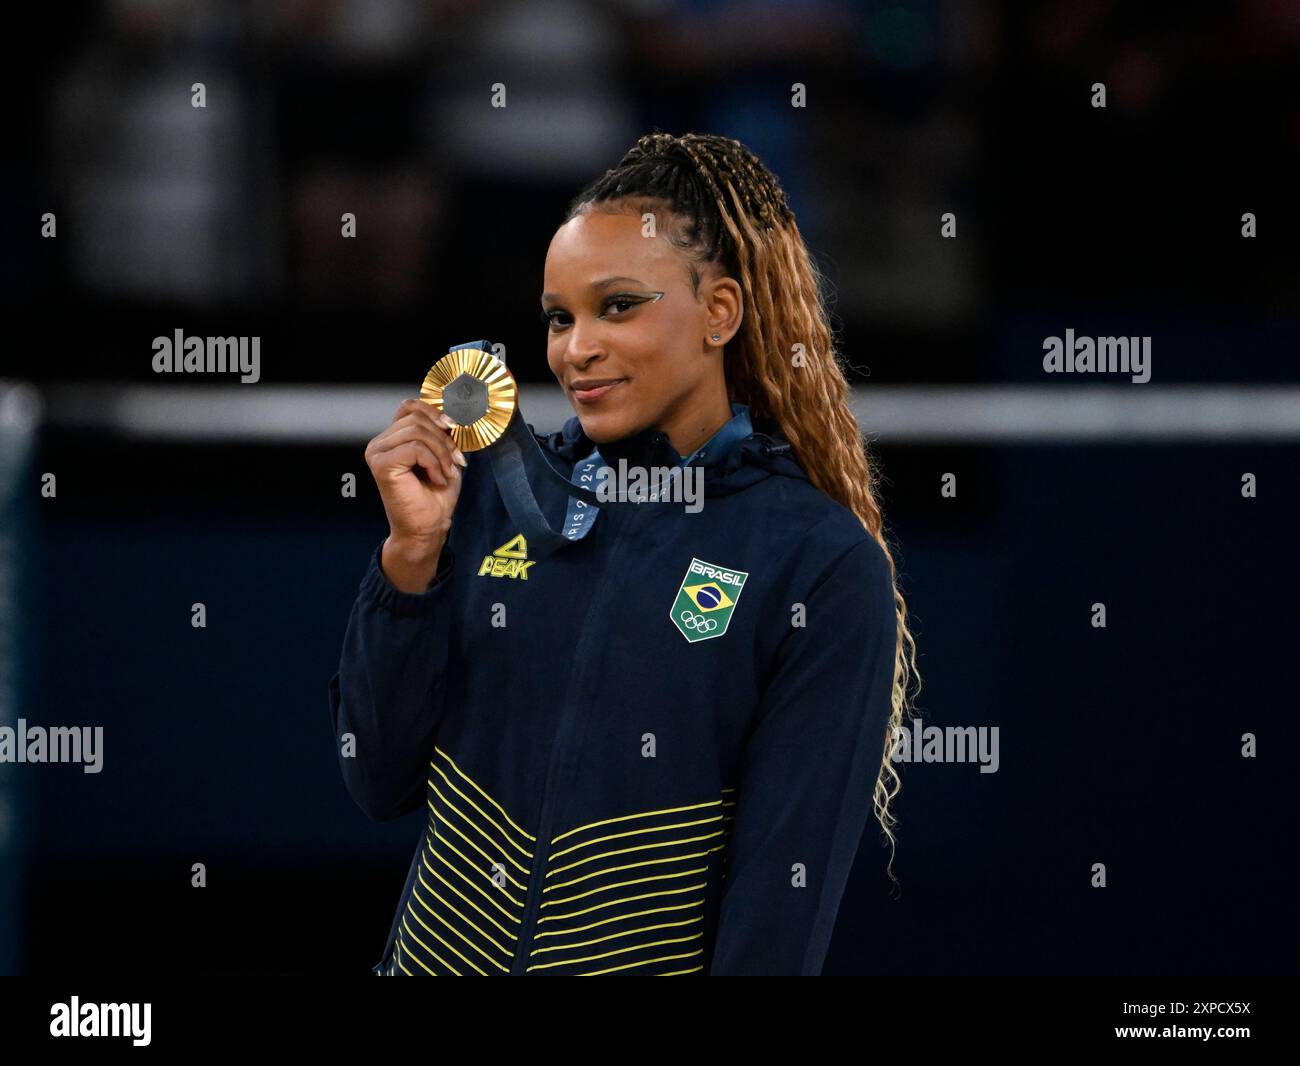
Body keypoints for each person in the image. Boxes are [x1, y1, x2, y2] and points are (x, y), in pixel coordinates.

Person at [328, 131, 920, 976]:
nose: (577, 349)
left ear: (719, 312)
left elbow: (776, 920)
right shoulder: (490, 499)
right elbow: (377, 781)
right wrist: (410, 561)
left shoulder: (816, 565)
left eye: (617, 306)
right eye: (559, 318)